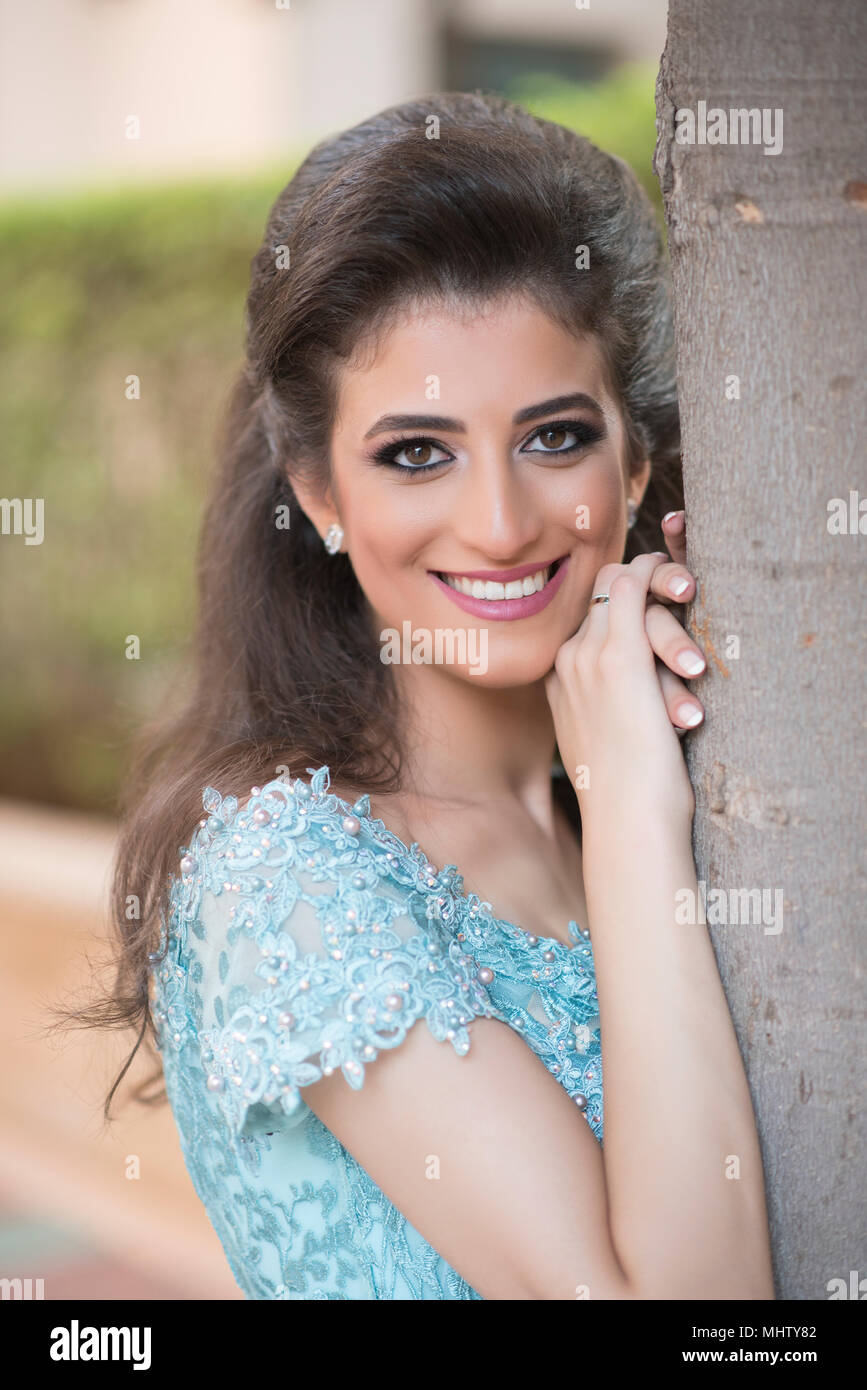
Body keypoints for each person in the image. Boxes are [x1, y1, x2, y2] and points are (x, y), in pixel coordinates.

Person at [103, 91, 774, 1299]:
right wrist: (627, 808)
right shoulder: (287, 880)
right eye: (418, 452)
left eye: (555, 436)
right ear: (316, 492)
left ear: (633, 461)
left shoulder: (722, 788)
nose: (502, 524)